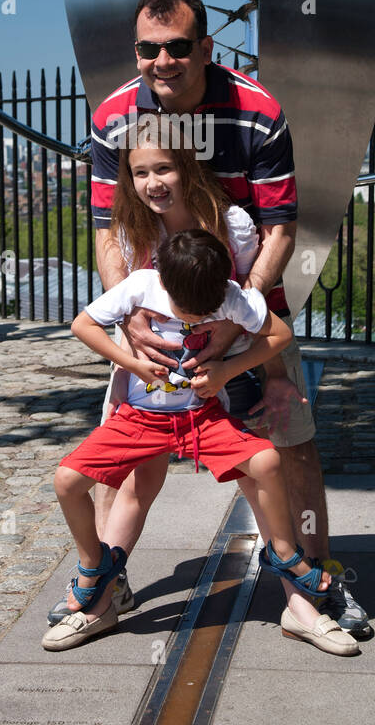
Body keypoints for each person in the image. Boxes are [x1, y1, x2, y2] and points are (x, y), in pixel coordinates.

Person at [89, 0, 369, 637]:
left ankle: (310, 592)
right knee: (120, 452)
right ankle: (103, 588)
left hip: (246, 309)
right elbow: (107, 229)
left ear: (206, 47)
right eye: (148, 49)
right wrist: (128, 317)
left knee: (289, 445)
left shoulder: (257, 110)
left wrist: (229, 313)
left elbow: (281, 229)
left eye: (178, 47)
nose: (163, 60)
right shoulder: (112, 117)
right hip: (152, 313)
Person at [42, 229, 358, 656]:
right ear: (164, 282)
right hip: (141, 417)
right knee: (67, 480)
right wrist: (133, 364)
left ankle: (285, 553)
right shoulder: (141, 285)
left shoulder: (229, 294)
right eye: (186, 310)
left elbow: (279, 335)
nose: (196, 315)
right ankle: (95, 568)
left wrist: (227, 371)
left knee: (265, 461)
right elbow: (83, 324)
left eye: (205, 311)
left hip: (201, 417)